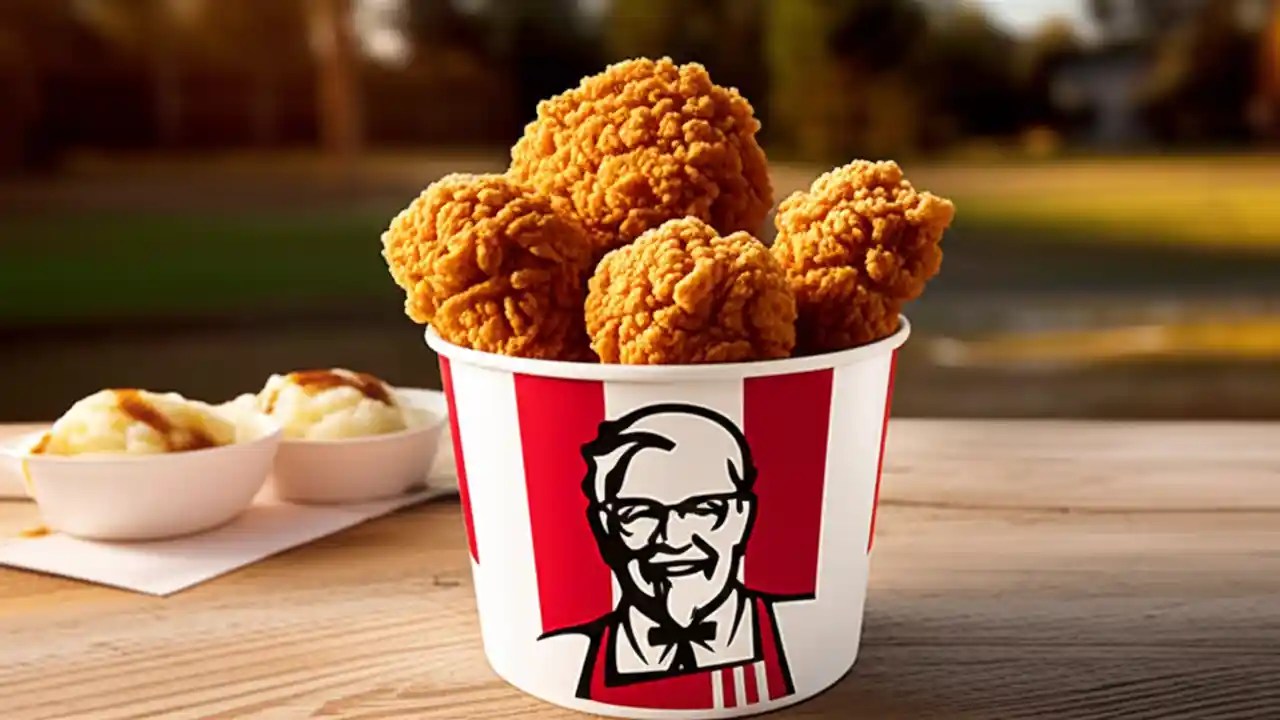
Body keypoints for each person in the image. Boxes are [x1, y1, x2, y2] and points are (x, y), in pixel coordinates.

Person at [548, 403, 794, 709]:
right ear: (604, 527)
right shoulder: (564, 655)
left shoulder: (803, 633)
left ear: (742, 517)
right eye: (639, 513)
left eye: (703, 509)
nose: (674, 540)